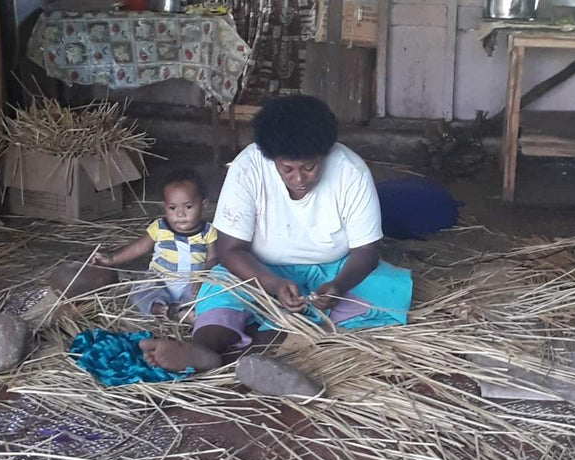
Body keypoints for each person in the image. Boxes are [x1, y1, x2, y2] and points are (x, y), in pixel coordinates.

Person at [141, 95, 412, 377]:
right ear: (272, 159)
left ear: (325, 153)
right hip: (259, 272)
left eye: (310, 167)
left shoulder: (351, 171)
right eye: (287, 169)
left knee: (389, 289)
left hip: (332, 272)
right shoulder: (248, 168)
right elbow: (230, 249)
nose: (299, 179)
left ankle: (266, 346)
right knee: (220, 287)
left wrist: (338, 286)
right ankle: (203, 349)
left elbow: (366, 251)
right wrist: (273, 283)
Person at [94, 169, 217, 317]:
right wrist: (112, 259)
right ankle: (159, 308)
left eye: (188, 206)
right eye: (172, 208)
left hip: (191, 282)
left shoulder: (209, 231)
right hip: (160, 278)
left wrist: (203, 277)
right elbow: (140, 247)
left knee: (209, 293)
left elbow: (213, 258)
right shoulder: (159, 227)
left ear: (204, 204)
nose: (180, 213)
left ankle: (184, 312)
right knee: (141, 289)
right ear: (164, 207)